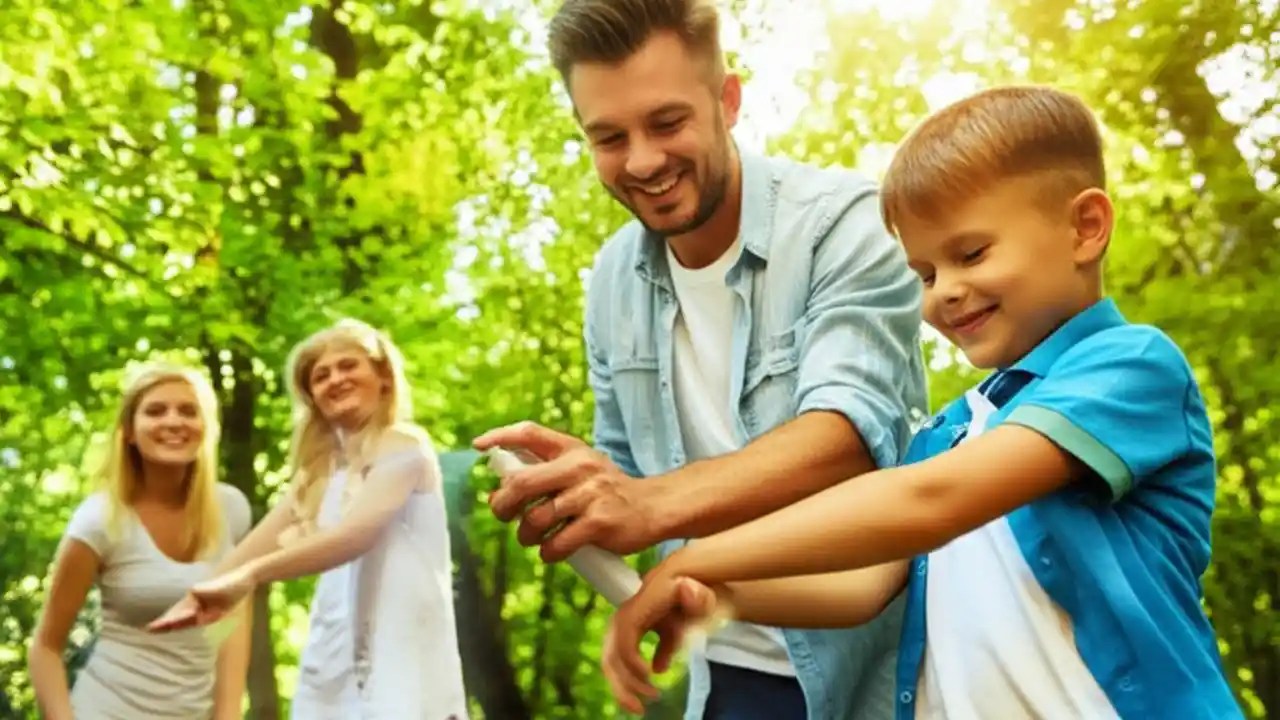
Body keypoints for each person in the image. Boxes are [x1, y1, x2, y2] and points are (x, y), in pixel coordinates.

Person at [600, 85, 1244, 720]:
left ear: (1085, 228)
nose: (944, 294)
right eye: (926, 274)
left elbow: (931, 501)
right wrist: (714, 596)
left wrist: (696, 552)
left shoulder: (1127, 367)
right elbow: (864, 586)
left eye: (971, 254)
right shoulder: (949, 434)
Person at [473, 1, 927, 718]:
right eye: (609, 137)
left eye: (667, 122)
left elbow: (845, 435)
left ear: (729, 101)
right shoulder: (613, 280)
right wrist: (575, 496)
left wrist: (648, 505)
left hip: (872, 673)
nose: (643, 161)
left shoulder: (847, 224)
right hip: (724, 666)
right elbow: (629, 478)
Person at [148, 319, 469, 719]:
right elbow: (252, 547)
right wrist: (191, 601)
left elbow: (356, 536)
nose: (335, 379)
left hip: (400, 649)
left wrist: (251, 578)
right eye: (321, 376)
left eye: (348, 365)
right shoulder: (319, 473)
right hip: (334, 651)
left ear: (383, 376)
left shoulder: (403, 445)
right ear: (313, 398)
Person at [27, 362, 253, 720]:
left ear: (206, 428)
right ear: (129, 432)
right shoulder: (100, 519)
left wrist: (227, 715)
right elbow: (45, 647)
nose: (174, 421)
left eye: (188, 411)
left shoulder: (232, 509)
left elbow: (234, 624)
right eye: (155, 411)